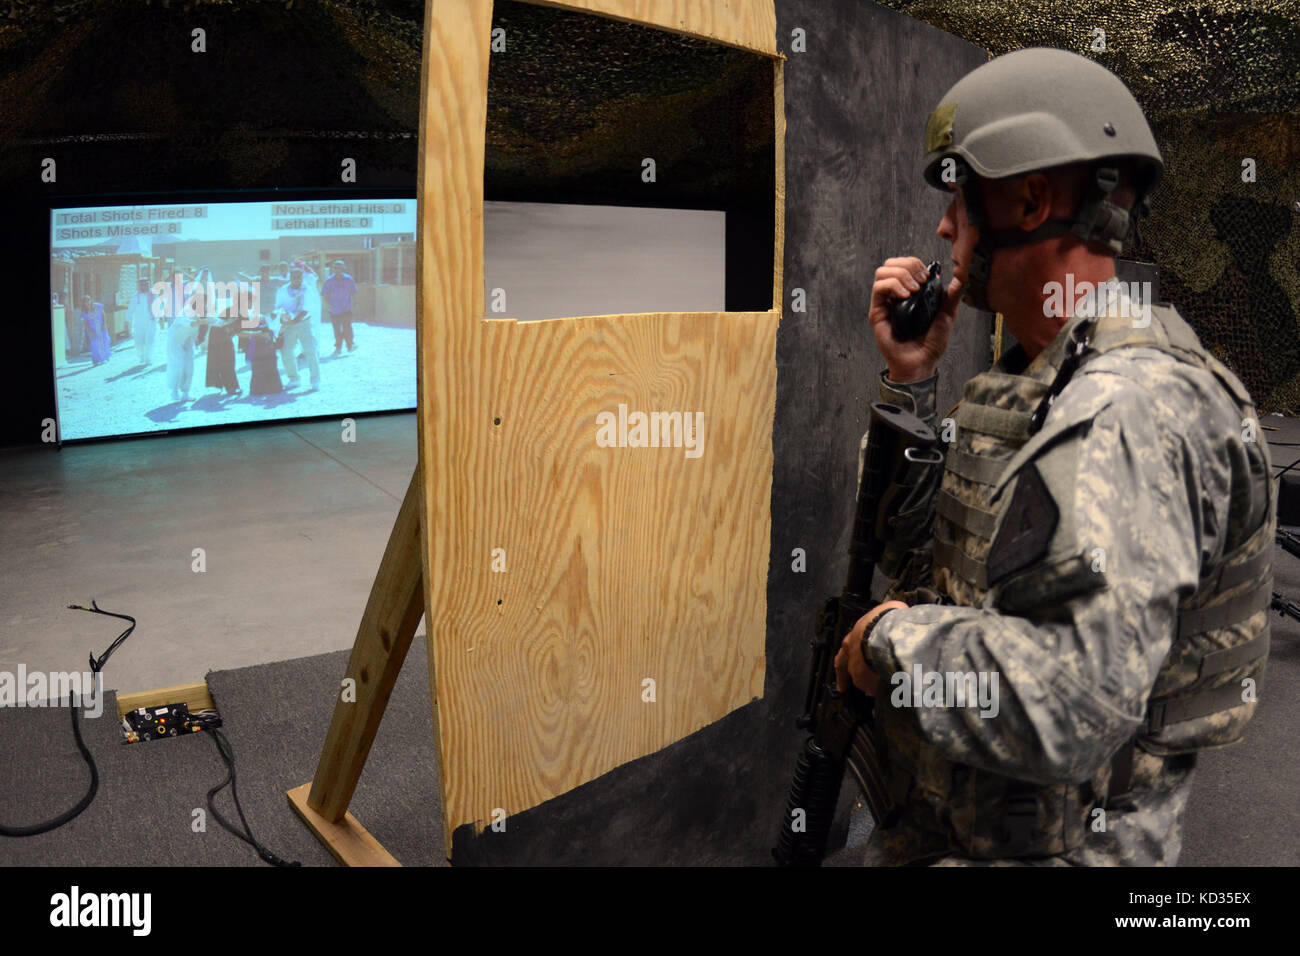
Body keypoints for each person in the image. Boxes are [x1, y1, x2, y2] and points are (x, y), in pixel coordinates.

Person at [831, 47, 1273, 866]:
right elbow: (918, 555)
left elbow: (1070, 704)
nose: (942, 227)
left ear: (1030, 201)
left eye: (959, 199)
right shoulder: (1035, 382)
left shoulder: (1131, 410)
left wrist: (892, 646)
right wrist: (909, 385)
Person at [273, 267, 321, 390]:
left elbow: (305, 310)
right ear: (290, 277)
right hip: (288, 324)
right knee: (286, 351)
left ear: (302, 277)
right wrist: (283, 315)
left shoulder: (307, 290)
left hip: (304, 322)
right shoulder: (283, 290)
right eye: (293, 277)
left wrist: (293, 321)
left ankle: (315, 380)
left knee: (310, 350)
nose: (296, 279)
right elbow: (278, 306)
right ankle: (294, 379)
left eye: (298, 277)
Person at [164, 271, 197, 401]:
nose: (177, 279)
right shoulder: (167, 288)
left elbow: (197, 281)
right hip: (175, 328)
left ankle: (186, 392)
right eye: (175, 277)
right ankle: (174, 390)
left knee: (189, 362)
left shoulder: (187, 288)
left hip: (189, 327)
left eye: (180, 277)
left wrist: (185, 275)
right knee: (177, 362)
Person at [321, 259, 359, 354]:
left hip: (346, 308)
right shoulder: (329, 281)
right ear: (333, 269)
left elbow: (354, 293)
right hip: (334, 309)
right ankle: (338, 347)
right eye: (336, 268)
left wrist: (355, 305)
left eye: (340, 267)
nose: (338, 269)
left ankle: (350, 345)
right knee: (337, 330)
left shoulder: (349, 279)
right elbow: (324, 295)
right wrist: (328, 306)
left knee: (347, 328)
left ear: (343, 268)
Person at [126, 278, 156, 366]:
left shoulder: (154, 294)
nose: (144, 286)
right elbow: (130, 309)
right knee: (139, 342)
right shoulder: (136, 296)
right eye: (142, 285)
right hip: (139, 323)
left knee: (149, 341)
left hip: (151, 322)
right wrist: (127, 320)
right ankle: (141, 355)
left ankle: (148, 358)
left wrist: (160, 318)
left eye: (146, 284)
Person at [78, 295, 112, 366]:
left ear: (91, 300)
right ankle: (96, 359)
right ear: (83, 303)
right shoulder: (84, 311)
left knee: (105, 341)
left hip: (101, 327)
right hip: (93, 329)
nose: (87, 303)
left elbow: (103, 314)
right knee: (95, 344)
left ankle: (105, 357)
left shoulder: (97, 306)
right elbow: (85, 323)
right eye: (85, 302)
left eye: (88, 301)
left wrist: (104, 324)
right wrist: (90, 331)